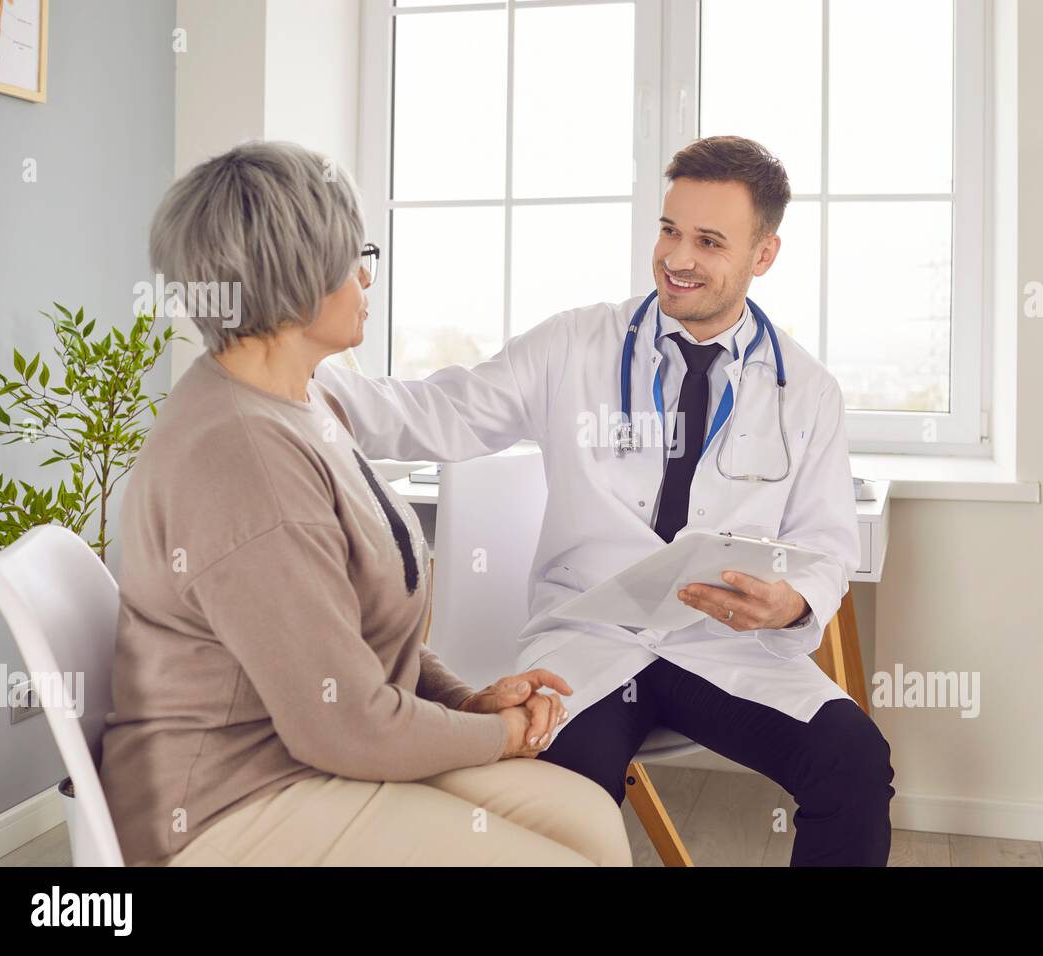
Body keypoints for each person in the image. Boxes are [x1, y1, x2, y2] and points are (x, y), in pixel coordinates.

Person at [313, 135, 895, 866]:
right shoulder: (575, 345)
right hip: (588, 640)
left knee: (855, 762)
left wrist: (792, 603)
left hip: (721, 647)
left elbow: (827, 546)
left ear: (764, 254)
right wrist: (299, 370)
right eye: (668, 230)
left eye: (709, 241)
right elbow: (438, 412)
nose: (677, 258)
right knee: (562, 796)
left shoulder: (804, 389)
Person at [98, 140, 631, 867]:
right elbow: (344, 723)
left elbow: (353, 639)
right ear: (296, 277)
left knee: (588, 818)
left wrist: (467, 702)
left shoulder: (305, 400)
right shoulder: (242, 456)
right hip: (231, 802)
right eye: (356, 256)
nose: (367, 275)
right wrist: (502, 736)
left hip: (312, 752)